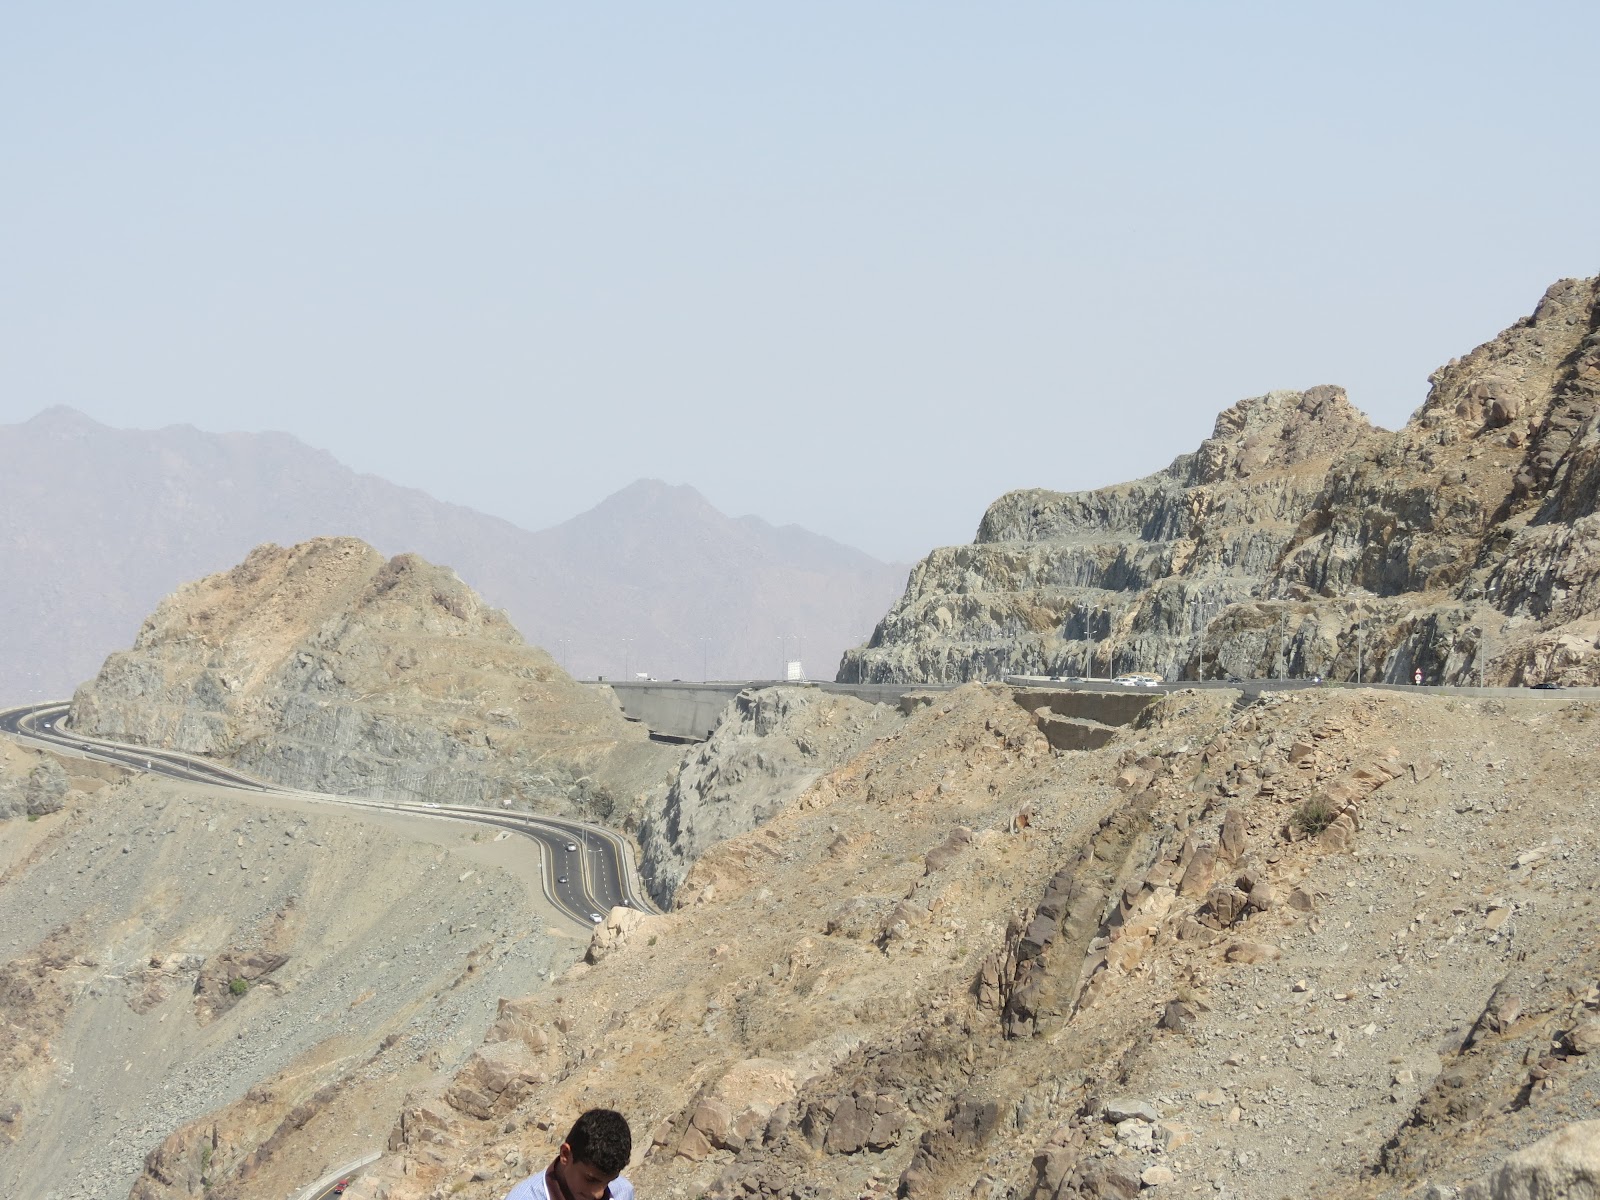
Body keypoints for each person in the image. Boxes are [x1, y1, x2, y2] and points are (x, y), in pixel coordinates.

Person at [504, 1108, 634, 1200]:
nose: (599, 1194)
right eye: (590, 1179)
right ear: (565, 1155)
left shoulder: (622, 1191)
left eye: (610, 1181)